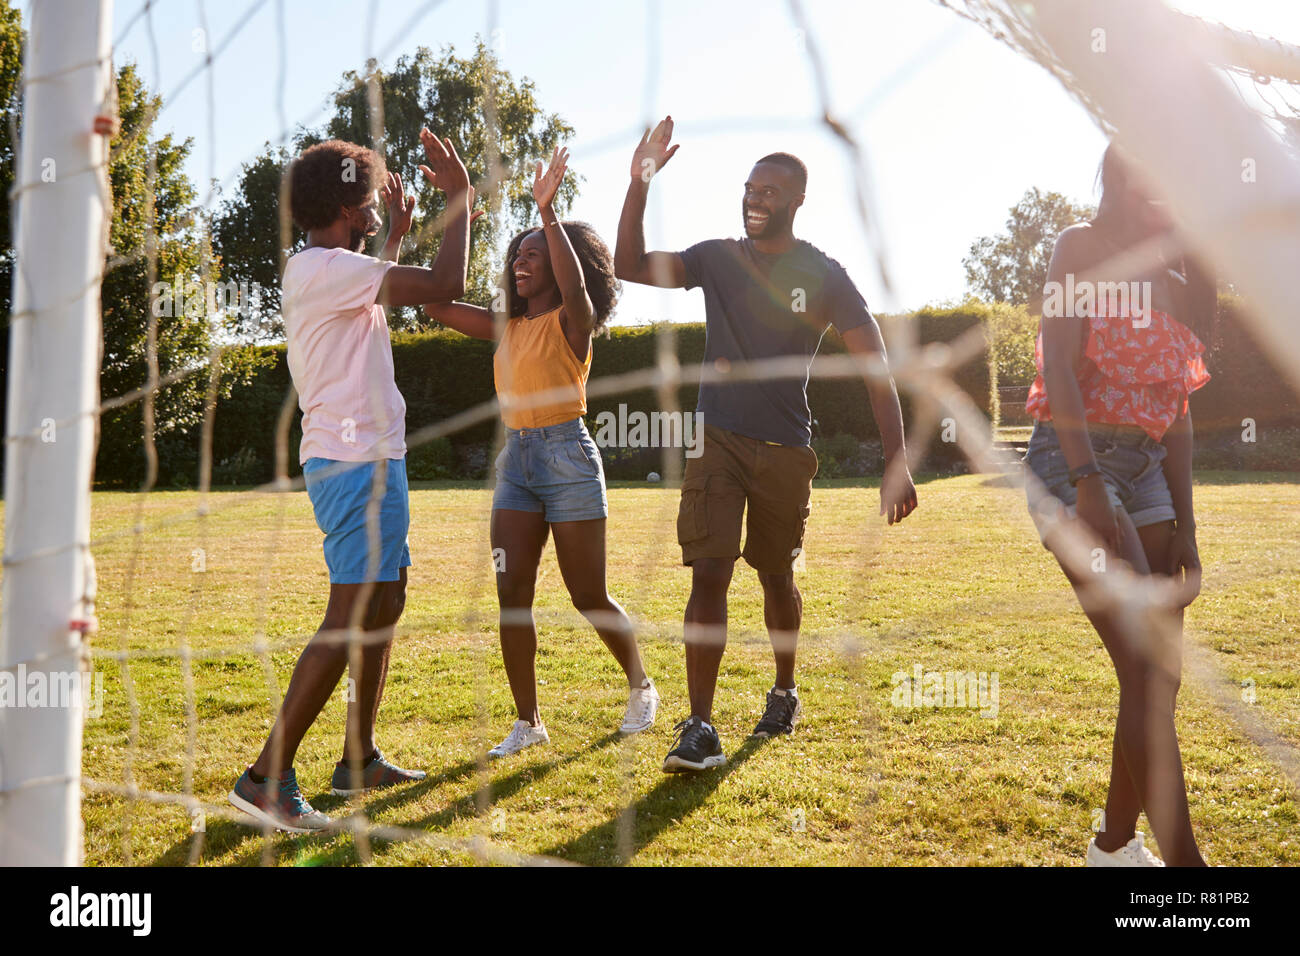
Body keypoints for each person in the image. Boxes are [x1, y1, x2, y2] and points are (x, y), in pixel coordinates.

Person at [614, 117, 917, 773]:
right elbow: (628, 264)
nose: (756, 198)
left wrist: (896, 460)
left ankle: (784, 689)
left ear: (797, 200)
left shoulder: (824, 274)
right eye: (750, 188)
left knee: (776, 575)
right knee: (710, 570)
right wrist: (640, 181)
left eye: (770, 191)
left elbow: (875, 368)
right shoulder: (717, 258)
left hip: (784, 447)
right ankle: (699, 725)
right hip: (717, 438)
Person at [228, 131, 474, 832]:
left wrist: (395, 234)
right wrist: (458, 201)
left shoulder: (330, 268)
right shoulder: (321, 268)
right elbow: (444, 287)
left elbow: (374, 294)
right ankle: (265, 777)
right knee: (348, 615)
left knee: (386, 599)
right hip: (354, 462)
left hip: (374, 456)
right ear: (345, 203)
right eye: (369, 197)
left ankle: (358, 760)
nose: (376, 203)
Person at [423, 144, 658, 758]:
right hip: (518, 465)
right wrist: (458, 212)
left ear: (559, 264)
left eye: (534, 256)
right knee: (511, 597)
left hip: (568, 457)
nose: (522, 263)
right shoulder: (507, 325)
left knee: (588, 594)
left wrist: (546, 213)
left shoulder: (572, 321)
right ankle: (528, 721)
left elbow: (577, 287)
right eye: (517, 255)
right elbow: (435, 304)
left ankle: (641, 686)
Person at [1023, 143, 1213, 866]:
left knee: (1158, 672)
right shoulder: (1080, 247)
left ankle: (1112, 846)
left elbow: (1180, 412)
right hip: (1075, 464)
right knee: (1141, 661)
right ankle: (1187, 871)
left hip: (1152, 471)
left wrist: (1188, 527)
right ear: (1120, 176)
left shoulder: (1178, 272)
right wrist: (1086, 482)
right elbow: (1063, 373)